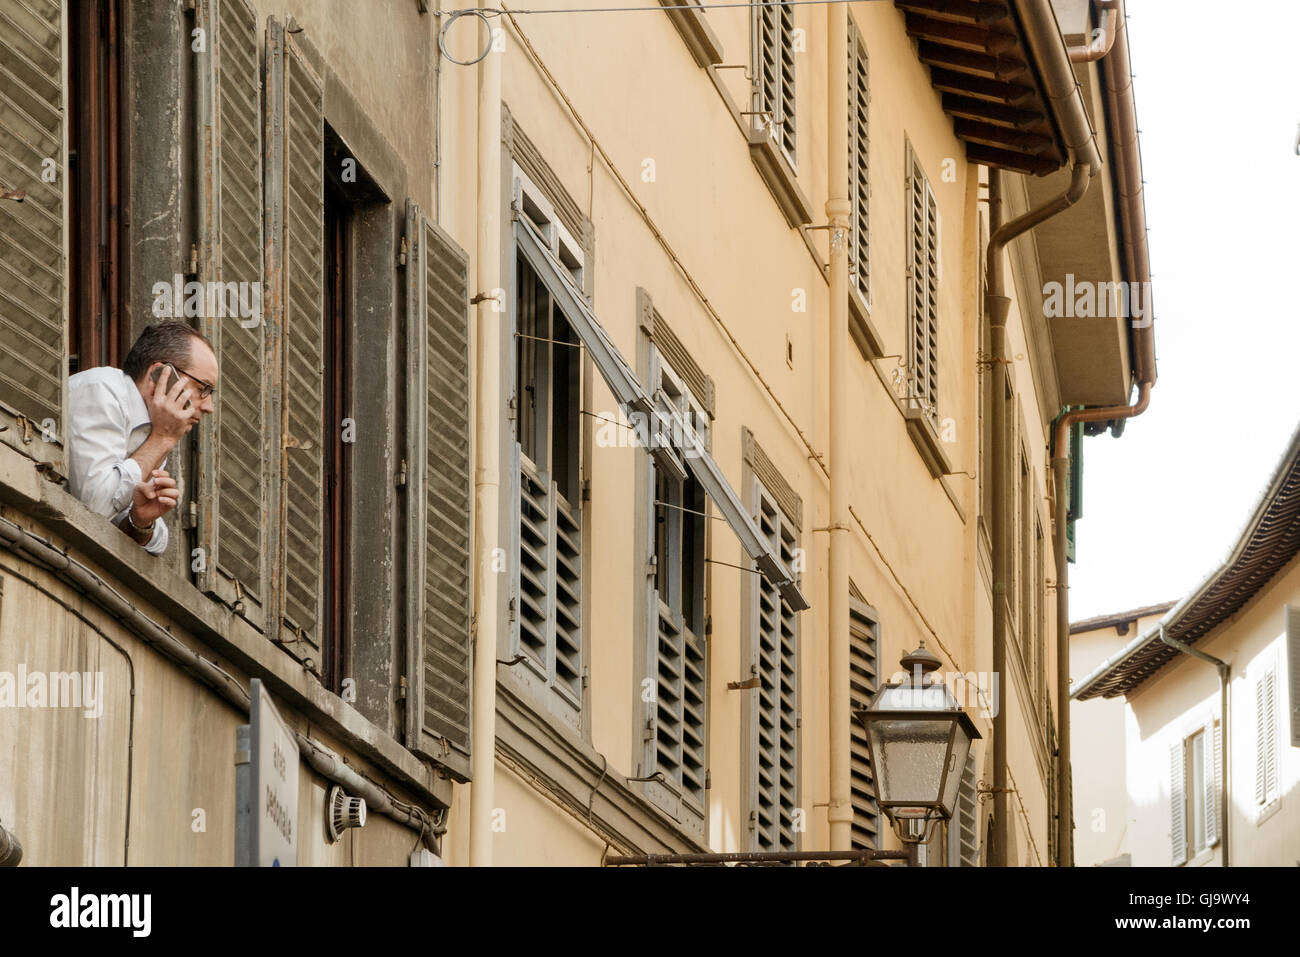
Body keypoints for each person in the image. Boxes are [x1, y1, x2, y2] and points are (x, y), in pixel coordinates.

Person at [67, 321, 219, 555]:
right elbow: (93, 507)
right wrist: (162, 439)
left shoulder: (151, 430)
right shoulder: (102, 389)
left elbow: (159, 543)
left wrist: (139, 522)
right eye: (203, 388)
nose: (208, 406)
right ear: (160, 375)